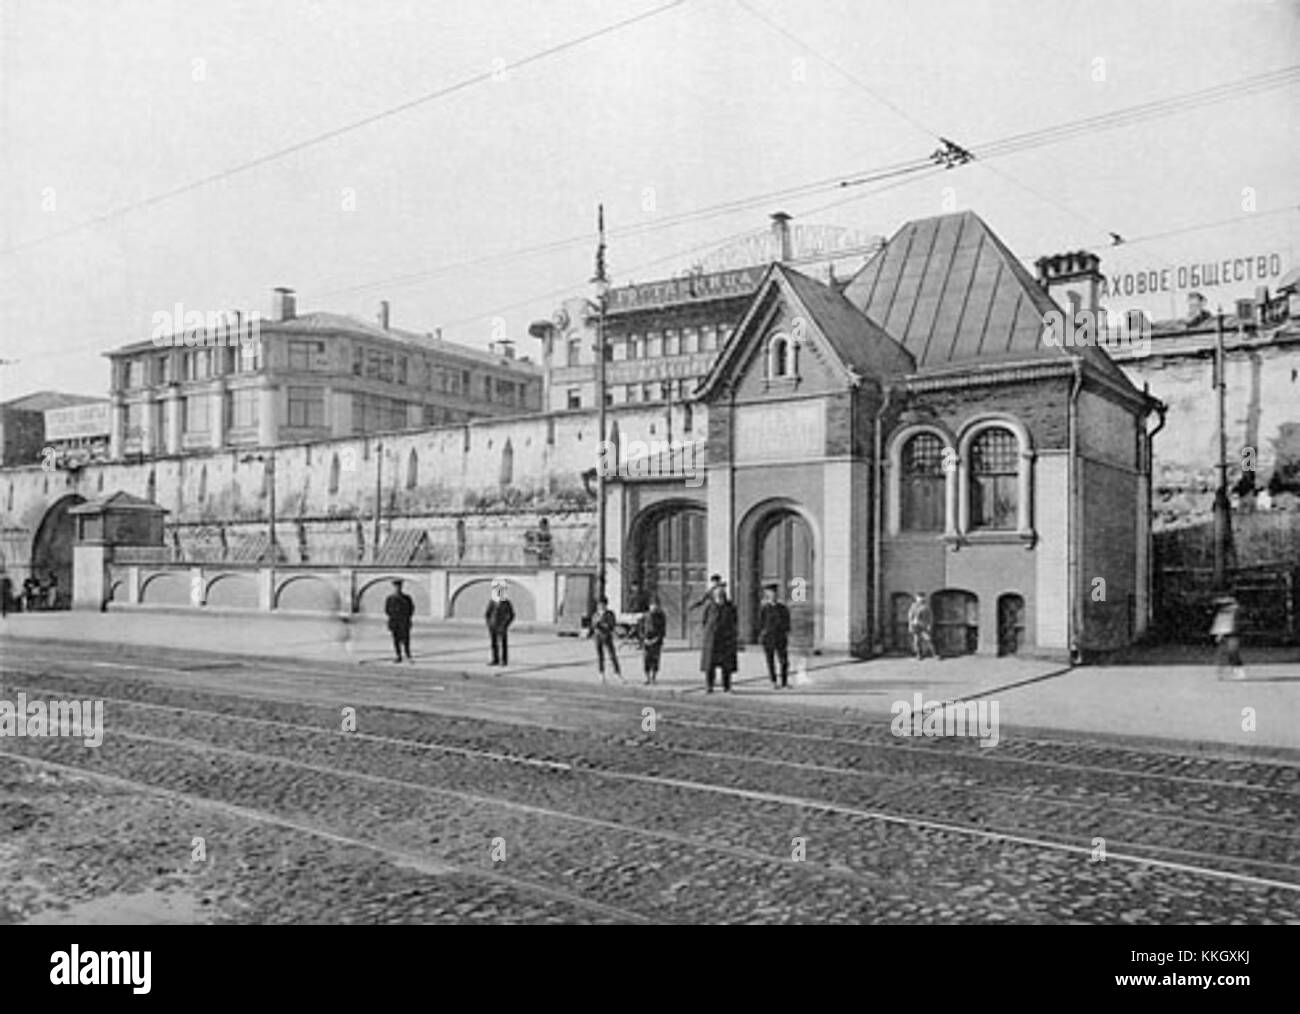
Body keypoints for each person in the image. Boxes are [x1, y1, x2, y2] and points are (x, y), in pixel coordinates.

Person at [700, 584, 738, 693]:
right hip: (712, 640)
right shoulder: (710, 607)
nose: (720, 597)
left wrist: (732, 635)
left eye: (722, 595)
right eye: (717, 595)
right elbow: (705, 621)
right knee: (710, 665)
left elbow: (734, 621)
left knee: (727, 665)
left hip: (726, 640)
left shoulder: (730, 607)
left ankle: (727, 686)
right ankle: (709, 686)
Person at [758, 583, 791, 687]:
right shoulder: (764, 608)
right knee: (770, 660)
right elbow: (760, 623)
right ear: (767, 595)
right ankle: (773, 681)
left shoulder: (782, 608)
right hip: (768, 637)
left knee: (784, 661)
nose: (773, 596)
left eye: (775, 594)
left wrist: (786, 632)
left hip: (781, 637)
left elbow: (787, 621)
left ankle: (784, 682)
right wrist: (762, 634)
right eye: (771, 594)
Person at [1210, 595, 1245, 681]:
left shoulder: (1235, 612)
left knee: (1233, 652)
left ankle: (1238, 671)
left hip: (1233, 634)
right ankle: (1220, 673)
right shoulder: (1222, 614)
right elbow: (1220, 624)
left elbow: (1235, 624)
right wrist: (1219, 634)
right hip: (1224, 635)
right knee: (1222, 654)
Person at [589, 595, 623, 683]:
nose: (600, 606)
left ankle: (617, 673)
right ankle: (601, 673)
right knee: (600, 656)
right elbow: (592, 625)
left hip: (607, 636)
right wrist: (592, 630)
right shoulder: (595, 614)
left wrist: (601, 625)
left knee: (612, 655)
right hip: (597, 637)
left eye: (602, 604)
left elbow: (611, 625)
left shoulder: (609, 614)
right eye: (599, 604)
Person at [384, 579, 414, 662]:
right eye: (396, 587)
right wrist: (393, 616)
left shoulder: (407, 598)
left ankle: (408, 654)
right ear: (393, 588)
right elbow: (387, 610)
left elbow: (411, 609)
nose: (397, 589)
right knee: (396, 639)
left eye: (399, 587)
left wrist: (407, 617)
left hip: (404, 621)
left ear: (401, 587)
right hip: (394, 621)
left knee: (406, 639)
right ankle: (398, 655)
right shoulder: (390, 598)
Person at [640, 595, 667, 685]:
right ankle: (647, 677)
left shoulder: (661, 616)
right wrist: (643, 639)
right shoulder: (645, 616)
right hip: (646, 640)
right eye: (652, 605)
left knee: (655, 659)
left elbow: (662, 630)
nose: (654, 607)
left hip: (656, 641)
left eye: (656, 605)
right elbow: (640, 629)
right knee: (646, 659)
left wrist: (657, 639)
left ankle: (654, 677)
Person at [486, 583, 515, 667]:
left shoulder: (506, 602)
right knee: (494, 643)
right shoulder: (492, 601)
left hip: (502, 626)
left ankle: (504, 660)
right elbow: (487, 613)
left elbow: (511, 615)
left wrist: (505, 624)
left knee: (503, 644)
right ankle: (495, 659)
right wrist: (489, 623)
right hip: (493, 626)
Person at [908, 592, 936, 660]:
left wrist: (929, 625)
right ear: (916, 598)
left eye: (922, 597)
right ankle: (919, 655)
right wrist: (911, 624)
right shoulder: (913, 606)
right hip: (915, 625)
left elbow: (930, 616)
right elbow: (910, 616)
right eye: (919, 597)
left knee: (928, 639)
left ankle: (934, 654)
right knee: (916, 641)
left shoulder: (926, 607)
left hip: (923, 625)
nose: (920, 599)